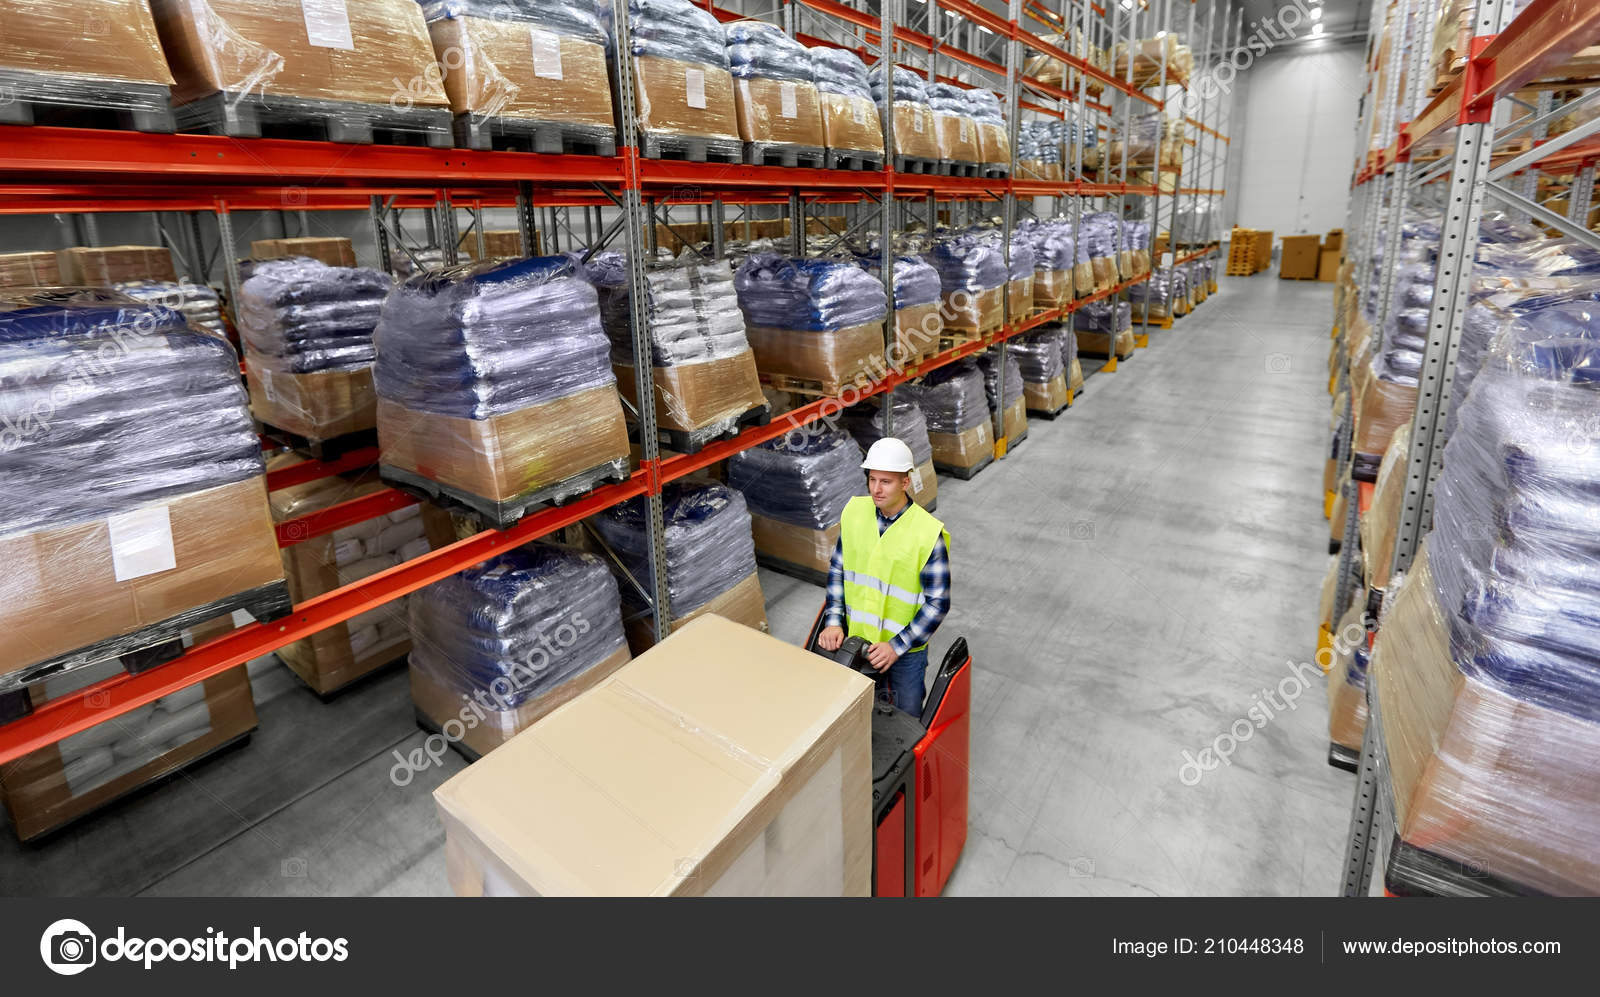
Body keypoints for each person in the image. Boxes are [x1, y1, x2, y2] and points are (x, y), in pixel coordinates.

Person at [818, 436, 951, 714]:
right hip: (855, 640)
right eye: (872, 480)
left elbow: (938, 603)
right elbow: (838, 570)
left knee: (905, 718)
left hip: (904, 653)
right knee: (856, 714)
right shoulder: (855, 513)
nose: (876, 490)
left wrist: (896, 646)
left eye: (886, 482)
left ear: (905, 482)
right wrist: (832, 621)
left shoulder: (927, 533)